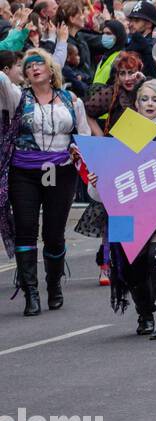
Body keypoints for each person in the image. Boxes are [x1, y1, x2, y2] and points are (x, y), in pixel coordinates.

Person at [87, 79, 156, 339]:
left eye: (155, 99)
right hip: (125, 210)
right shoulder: (123, 131)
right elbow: (104, 184)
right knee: (130, 262)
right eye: (144, 99)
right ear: (136, 102)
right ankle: (145, 315)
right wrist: (96, 181)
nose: (149, 104)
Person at [0, 49, 91, 315]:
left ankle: (54, 286)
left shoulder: (72, 101)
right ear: (25, 75)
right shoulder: (17, 97)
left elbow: (83, 135)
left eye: (40, 64)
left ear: (52, 71)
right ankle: (31, 293)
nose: (34, 68)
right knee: (26, 228)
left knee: (53, 233)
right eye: (29, 66)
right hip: (24, 170)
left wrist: (79, 153)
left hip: (60, 171)